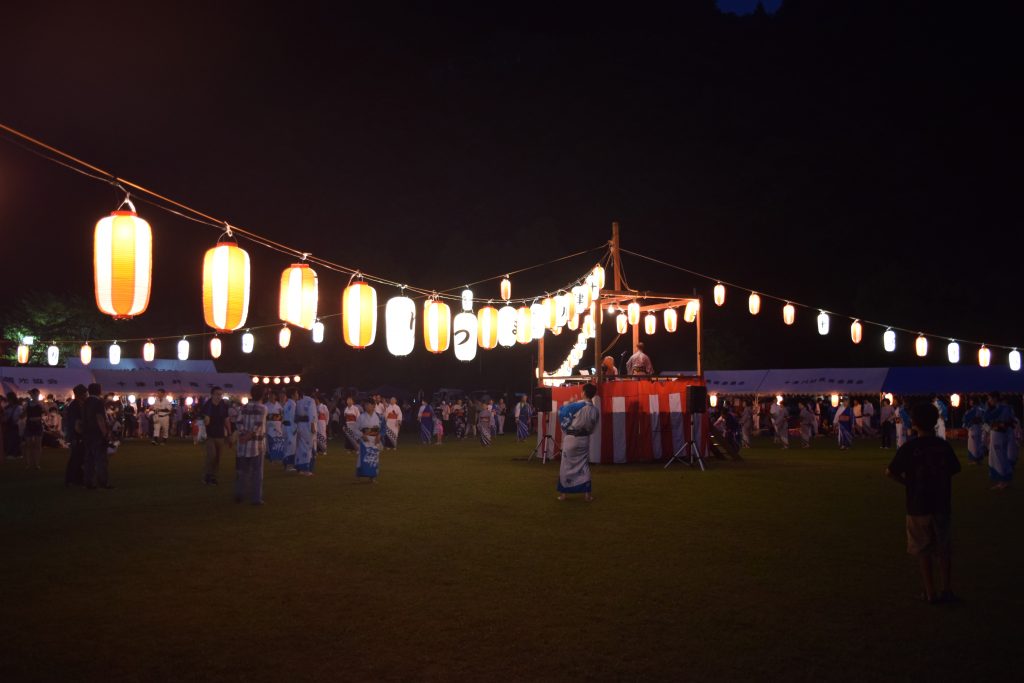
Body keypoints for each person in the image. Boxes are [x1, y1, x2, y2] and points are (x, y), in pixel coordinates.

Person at [886, 403, 961, 604]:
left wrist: (908, 483)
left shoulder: (910, 447)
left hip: (918, 503)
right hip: (941, 503)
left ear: (914, 423)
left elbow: (890, 472)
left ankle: (930, 592)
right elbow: (954, 469)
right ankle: (947, 589)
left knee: (923, 550)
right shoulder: (943, 446)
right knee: (943, 549)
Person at [557, 383, 599, 501]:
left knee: (566, 465)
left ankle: (563, 494)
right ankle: (587, 495)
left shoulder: (577, 405)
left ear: (584, 393)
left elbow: (562, 412)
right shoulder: (595, 410)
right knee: (584, 465)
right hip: (584, 439)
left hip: (572, 438)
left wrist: (570, 402)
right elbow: (593, 428)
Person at [234, 385, 267, 505]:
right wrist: (249, 435)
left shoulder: (243, 408)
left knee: (242, 471)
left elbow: (238, 422)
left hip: (242, 445)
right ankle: (256, 498)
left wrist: (243, 435)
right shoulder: (262, 408)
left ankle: (239, 493)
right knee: (257, 472)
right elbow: (258, 425)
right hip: (256, 445)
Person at [83, 383, 113, 489]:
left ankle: (88, 482)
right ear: (98, 390)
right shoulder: (98, 402)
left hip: (87, 433)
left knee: (89, 459)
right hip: (97, 433)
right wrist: (105, 432)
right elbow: (100, 418)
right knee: (101, 459)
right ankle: (103, 481)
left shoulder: (85, 401)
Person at [984, 392, 1015, 490]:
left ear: (994, 399)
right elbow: (1011, 420)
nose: (989, 401)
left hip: (998, 434)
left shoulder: (998, 408)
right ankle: (1005, 480)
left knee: (998, 457)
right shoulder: (1007, 407)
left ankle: (1002, 482)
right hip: (1004, 434)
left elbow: (987, 417)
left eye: (989, 399)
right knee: (1003, 456)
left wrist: (988, 408)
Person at [201, 387, 231, 485]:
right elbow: (204, 418)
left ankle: (213, 476)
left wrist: (229, 433)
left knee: (218, 457)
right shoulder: (207, 405)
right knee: (211, 455)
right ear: (212, 394)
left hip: (220, 435)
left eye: (220, 394)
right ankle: (207, 475)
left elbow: (226, 420)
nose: (219, 396)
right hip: (210, 435)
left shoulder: (223, 405)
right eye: (217, 394)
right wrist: (206, 420)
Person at [63, 384, 87, 486]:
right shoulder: (75, 406)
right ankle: (73, 479)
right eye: (85, 393)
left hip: (75, 434)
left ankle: (76, 478)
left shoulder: (76, 405)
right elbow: (77, 423)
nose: (86, 395)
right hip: (76, 435)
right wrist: (81, 433)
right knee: (76, 457)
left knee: (78, 457)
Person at [293, 388, 318, 476]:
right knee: (303, 447)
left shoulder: (309, 400)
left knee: (306, 447)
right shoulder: (296, 402)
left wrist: (312, 426)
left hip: (306, 426)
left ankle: (304, 468)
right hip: (301, 426)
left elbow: (312, 413)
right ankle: (303, 468)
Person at [22, 388, 44, 470]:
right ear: (32, 395)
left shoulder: (40, 404)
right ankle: (28, 463)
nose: (37, 396)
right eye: (36, 394)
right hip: (29, 424)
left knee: (38, 445)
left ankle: (37, 463)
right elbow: (23, 414)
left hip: (37, 424)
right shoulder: (27, 404)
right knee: (29, 444)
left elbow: (46, 412)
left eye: (37, 395)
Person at [264, 388, 287, 463]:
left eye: (272, 395)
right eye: (269, 395)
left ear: (275, 396)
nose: (270, 397)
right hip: (269, 425)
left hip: (278, 425)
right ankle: (270, 456)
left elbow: (282, 415)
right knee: (270, 440)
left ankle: (278, 456)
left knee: (278, 441)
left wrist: (281, 422)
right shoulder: (265, 405)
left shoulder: (279, 405)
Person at [962, 398, 986, 465]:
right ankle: (979, 459)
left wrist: (966, 422)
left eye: (970, 400)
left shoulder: (973, 410)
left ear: (973, 401)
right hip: (980, 428)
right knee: (978, 444)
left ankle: (974, 460)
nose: (969, 401)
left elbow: (965, 418)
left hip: (973, 428)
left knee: (973, 444)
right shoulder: (981, 409)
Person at [3, 391, 23, 458]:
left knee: (15, 439)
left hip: (15, 425)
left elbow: (21, 416)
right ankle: (13, 453)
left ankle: (15, 453)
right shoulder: (7, 408)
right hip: (10, 425)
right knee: (11, 439)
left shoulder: (18, 408)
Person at [282, 388, 298, 470]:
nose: (297, 395)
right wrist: (295, 428)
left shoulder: (287, 403)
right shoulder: (293, 404)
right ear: (292, 395)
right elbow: (292, 417)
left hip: (285, 426)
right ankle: (289, 465)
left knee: (286, 446)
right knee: (291, 446)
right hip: (291, 427)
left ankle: (286, 464)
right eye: (296, 393)